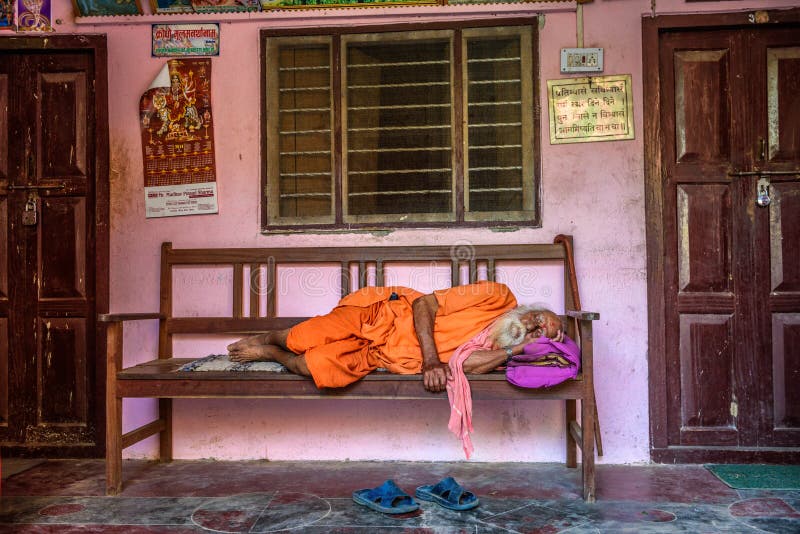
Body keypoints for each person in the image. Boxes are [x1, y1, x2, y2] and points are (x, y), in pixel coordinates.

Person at [227, 281, 565, 393]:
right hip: (381, 319)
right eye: (537, 319)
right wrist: (430, 360)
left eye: (539, 334)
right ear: (528, 308)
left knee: (312, 366)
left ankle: (270, 354)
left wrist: (518, 349)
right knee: (300, 338)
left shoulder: (501, 348)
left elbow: (463, 365)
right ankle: (270, 337)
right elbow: (423, 304)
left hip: (382, 357)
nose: (532, 328)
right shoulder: (498, 296)